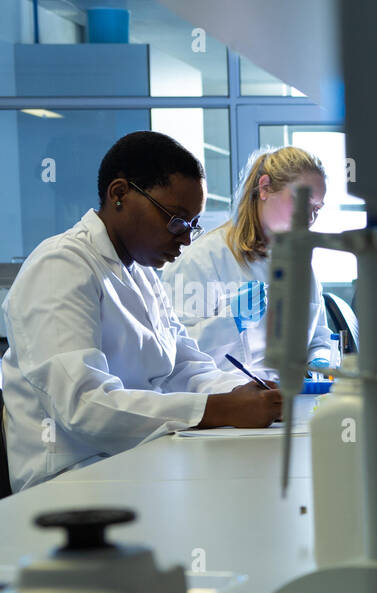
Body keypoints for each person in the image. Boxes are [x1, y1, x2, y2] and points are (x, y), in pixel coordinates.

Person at [1, 131, 281, 492]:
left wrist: (251, 393)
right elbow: (85, 407)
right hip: (72, 483)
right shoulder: (61, 266)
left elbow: (186, 367)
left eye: (193, 226)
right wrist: (219, 409)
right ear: (119, 194)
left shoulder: (143, 273)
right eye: (176, 220)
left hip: (138, 461)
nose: (185, 239)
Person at [162, 146, 333, 376]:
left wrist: (319, 358)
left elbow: (319, 336)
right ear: (264, 188)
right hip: (228, 402)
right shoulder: (201, 260)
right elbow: (173, 354)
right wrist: (231, 321)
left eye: (316, 208)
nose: (310, 218)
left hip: (292, 399)